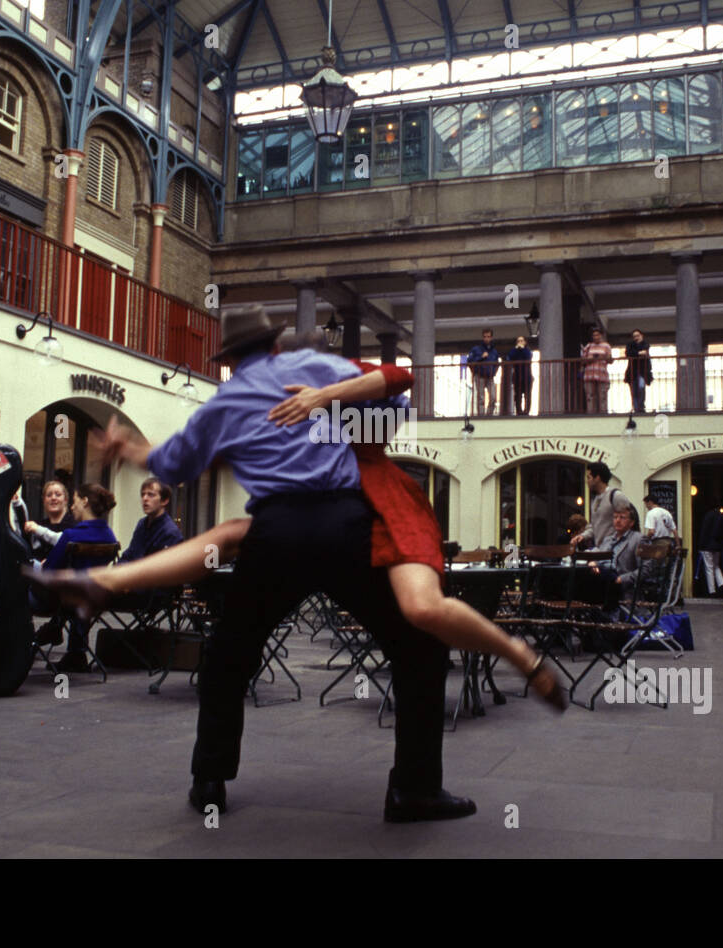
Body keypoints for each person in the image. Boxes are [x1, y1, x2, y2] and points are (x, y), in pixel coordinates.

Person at [29, 305, 493, 823]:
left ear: (229, 360)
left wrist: (130, 449)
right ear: (274, 346)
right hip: (344, 523)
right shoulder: (312, 370)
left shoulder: (222, 404)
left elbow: (175, 465)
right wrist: (342, 414)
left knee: (229, 655)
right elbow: (395, 389)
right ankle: (416, 789)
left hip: (275, 532)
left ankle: (209, 780)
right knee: (417, 649)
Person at [33, 483, 119, 672]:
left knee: (28, 569)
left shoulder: (71, 535)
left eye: (74, 501)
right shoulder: (110, 537)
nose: (72, 507)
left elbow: (49, 573)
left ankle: (31, 641)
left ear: (85, 502)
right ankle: (74, 650)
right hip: (92, 598)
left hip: (58, 601)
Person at [119, 478, 183, 562]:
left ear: (164, 501)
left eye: (151, 495)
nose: (145, 498)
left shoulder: (171, 533)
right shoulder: (142, 524)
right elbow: (130, 554)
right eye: (143, 494)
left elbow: (162, 569)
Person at [572, 462, 628, 550]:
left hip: (615, 552)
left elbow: (628, 524)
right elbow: (594, 526)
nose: (586, 481)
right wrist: (582, 536)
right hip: (601, 551)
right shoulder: (595, 500)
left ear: (597, 478)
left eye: (588, 477)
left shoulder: (616, 496)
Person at [24, 479, 76, 559]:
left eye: (58, 495)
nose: (53, 498)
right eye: (49, 495)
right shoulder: (39, 524)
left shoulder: (74, 524)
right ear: (44, 501)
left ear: (65, 500)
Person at [580, 327, 613, 415]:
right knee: (590, 396)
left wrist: (602, 357)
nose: (595, 337)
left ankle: (603, 414)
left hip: (602, 375)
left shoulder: (606, 346)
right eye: (594, 335)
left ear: (601, 336)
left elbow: (610, 360)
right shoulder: (588, 346)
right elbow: (582, 361)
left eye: (597, 335)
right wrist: (590, 358)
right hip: (589, 375)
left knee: (602, 396)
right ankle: (591, 413)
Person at [467, 328, 500, 417]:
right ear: (483, 337)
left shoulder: (494, 351)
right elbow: (469, 361)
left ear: (491, 338)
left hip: (490, 377)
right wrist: (481, 358)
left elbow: (497, 364)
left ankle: (489, 415)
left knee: (493, 397)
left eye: (488, 337)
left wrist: (494, 372)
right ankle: (481, 416)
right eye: (485, 337)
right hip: (479, 376)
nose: (486, 339)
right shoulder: (476, 349)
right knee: (481, 398)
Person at [698, 501, 723, 597]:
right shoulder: (721, 516)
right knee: (716, 566)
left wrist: (701, 545)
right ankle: (722, 584)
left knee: (709, 568)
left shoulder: (708, 516)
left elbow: (704, 531)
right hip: (717, 546)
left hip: (707, 546)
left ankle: (712, 590)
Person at [624, 329, 653, 414]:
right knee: (634, 391)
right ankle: (636, 408)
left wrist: (636, 352)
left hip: (642, 372)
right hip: (632, 372)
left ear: (641, 335)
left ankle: (641, 408)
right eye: (634, 336)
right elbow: (628, 353)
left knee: (641, 389)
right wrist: (639, 353)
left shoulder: (645, 344)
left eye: (638, 335)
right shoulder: (630, 344)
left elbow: (644, 351)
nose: (636, 338)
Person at [503, 336, 533, 416]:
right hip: (517, 376)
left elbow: (528, 357)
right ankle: (519, 412)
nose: (520, 342)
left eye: (521, 340)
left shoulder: (528, 350)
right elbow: (509, 357)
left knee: (528, 395)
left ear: (525, 342)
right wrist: (516, 349)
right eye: (518, 341)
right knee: (518, 395)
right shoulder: (514, 351)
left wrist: (523, 349)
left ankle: (526, 412)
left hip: (527, 376)